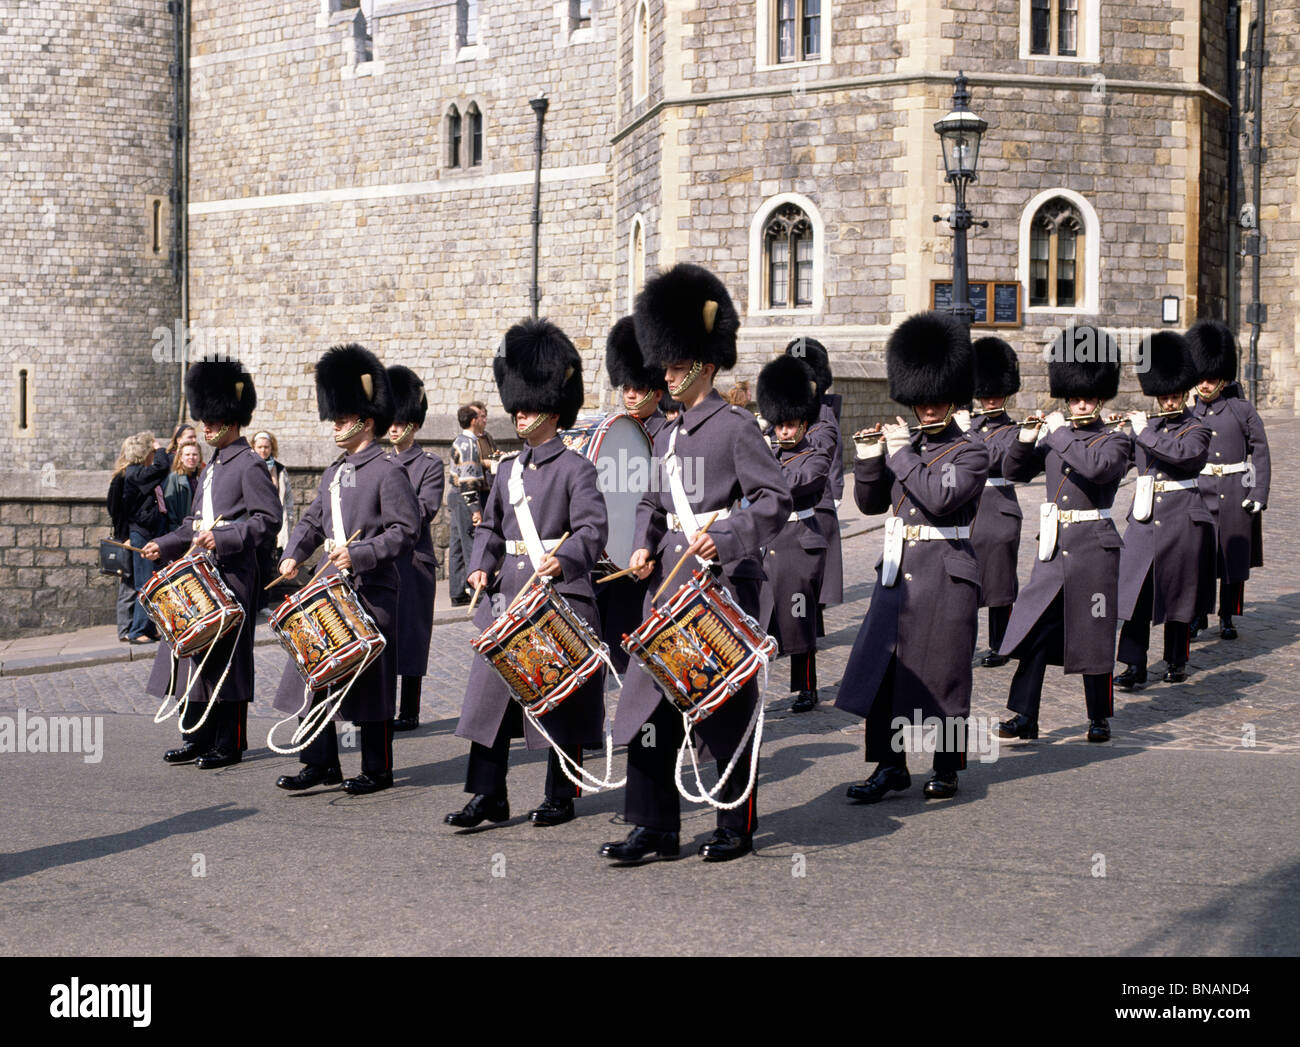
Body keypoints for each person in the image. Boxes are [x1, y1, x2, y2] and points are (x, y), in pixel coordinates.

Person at [602, 263, 792, 864]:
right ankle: (653, 826)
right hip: (666, 588)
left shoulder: (734, 429)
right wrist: (639, 543)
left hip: (717, 591)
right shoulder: (665, 435)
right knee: (648, 704)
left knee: (723, 711)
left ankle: (734, 825)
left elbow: (774, 501)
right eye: (666, 365)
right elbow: (654, 505)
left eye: (677, 366)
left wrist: (729, 535)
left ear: (705, 365)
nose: (666, 375)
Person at [446, 319, 608, 830]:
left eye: (530, 405)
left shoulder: (576, 469)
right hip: (508, 597)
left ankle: (560, 792)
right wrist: (478, 569)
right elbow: (490, 529)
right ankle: (488, 795)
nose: (519, 413)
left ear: (553, 410)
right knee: (490, 698)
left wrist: (565, 557)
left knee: (558, 697)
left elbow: (592, 529)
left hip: (557, 597)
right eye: (517, 404)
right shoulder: (509, 469)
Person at [836, 312, 988, 801]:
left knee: (944, 673)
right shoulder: (911, 445)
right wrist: (868, 459)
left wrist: (901, 453)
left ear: (952, 396)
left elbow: (940, 498)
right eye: (920, 400)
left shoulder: (971, 452)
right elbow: (871, 505)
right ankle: (889, 764)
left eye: (935, 399)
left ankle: (946, 767)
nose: (926, 409)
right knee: (887, 670)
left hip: (946, 570)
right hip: (898, 571)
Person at [272, 344, 419, 795]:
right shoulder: (335, 471)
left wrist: (361, 554)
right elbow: (315, 518)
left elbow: (404, 531)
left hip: (371, 586)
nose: (334, 424)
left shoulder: (386, 470)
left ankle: (378, 768)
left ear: (366, 420)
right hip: (331, 584)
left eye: (341, 417)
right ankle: (320, 762)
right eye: (334, 417)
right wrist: (295, 552)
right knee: (313, 666)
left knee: (372, 683)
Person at [995, 328, 1132, 744]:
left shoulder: (1116, 439)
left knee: (1094, 634)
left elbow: (1096, 469)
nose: (1081, 404)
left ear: (1100, 398)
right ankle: (1024, 715)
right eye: (1074, 398)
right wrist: (1024, 440)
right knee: (1035, 631)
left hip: (1094, 547)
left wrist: (1058, 433)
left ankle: (1099, 717)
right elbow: (1013, 472)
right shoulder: (1058, 437)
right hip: (1054, 551)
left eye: (1088, 397)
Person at [142, 358, 282, 767]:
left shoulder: (249, 464)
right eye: (203, 418)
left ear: (231, 419)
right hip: (200, 574)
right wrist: (163, 544)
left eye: (212, 418)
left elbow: (267, 521)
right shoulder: (214, 465)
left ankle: (230, 741)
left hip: (234, 574)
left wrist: (221, 538)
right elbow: (192, 523)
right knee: (191, 653)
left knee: (227, 659)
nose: (204, 426)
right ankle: (196, 736)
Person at [1115, 332, 1212, 689]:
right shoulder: (1148, 426)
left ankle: (1176, 659)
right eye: (1164, 396)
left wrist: (1144, 432)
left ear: (1184, 394)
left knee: (1178, 595)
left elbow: (1185, 456)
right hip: (1144, 519)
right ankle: (1133, 664)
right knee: (1136, 595)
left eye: (1174, 395)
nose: (1169, 401)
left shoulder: (1197, 428)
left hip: (1182, 519)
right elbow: (1117, 462)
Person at [1185, 319, 1271, 641]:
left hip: (1236, 491)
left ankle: (1227, 616)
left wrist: (1259, 491)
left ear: (1222, 377)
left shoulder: (1242, 410)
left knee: (1233, 560)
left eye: (1211, 379)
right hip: (1200, 493)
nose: (1205, 385)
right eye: (1201, 379)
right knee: (1200, 560)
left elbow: (1260, 450)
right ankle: (1197, 615)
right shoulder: (1189, 413)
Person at [757, 355, 833, 713]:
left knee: (798, 619)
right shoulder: (767, 454)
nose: (784, 432)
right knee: (758, 616)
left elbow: (799, 483)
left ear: (803, 424)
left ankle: (806, 688)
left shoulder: (814, 456)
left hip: (799, 542)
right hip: (768, 543)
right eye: (779, 426)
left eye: (790, 426)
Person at [596, 316, 669, 673]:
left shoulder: (668, 434)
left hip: (647, 557)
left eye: (637, 387)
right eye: (626, 385)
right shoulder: (615, 430)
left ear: (657, 391)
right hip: (613, 556)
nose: (629, 393)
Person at [386, 366, 445, 732]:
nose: (393, 428)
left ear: (414, 424)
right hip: (380, 560)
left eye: (400, 421)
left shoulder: (429, 465)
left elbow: (425, 510)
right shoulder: (379, 463)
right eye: (390, 421)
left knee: (410, 634)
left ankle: (409, 709)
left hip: (412, 561)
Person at [962, 336, 1024, 667]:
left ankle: (1002, 643)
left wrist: (966, 435)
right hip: (970, 510)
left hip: (998, 508)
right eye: (984, 395)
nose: (989, 401)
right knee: (966, 582)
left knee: (1000, 584)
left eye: (995, 395)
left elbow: (995, 458)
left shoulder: (1012, 430)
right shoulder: (969, 426)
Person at [785, 338, 843, 636]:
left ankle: (805, 636)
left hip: (816, 501)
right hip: (788, 510)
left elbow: (820, 456)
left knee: (810, 579)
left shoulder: (823, 418)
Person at [121, 432, 170, 643]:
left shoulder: (138, 473)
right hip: (141, 533)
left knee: (153, 581)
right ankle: (137, 630)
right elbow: (161, 468)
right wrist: (160, 449)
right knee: (144, 582)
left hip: (149, 532)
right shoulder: (135, 473)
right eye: (151, 450)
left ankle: (149, 628)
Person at [448, 403, 488, 605]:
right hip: (466, 497)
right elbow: (468, 480)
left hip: (456, 495)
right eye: (480, 417)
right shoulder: (469, 445)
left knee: (456, 545)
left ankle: (457, 592)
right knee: (472, 544)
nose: (483, 420)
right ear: (473, 421)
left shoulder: (460, 441)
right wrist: (475, 510)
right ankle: (477, 592)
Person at [251, 430, 294, 612]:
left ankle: (262, 603)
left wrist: (288, 520)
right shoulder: (249, 467)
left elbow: (287, 498)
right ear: (253, 447)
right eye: (259, 447)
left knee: (266, 565)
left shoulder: (279, 469)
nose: (263, 450)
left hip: (272, 525)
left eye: (266, 447)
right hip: (253, 523)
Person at [106, 435, 143, 641]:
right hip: (127, 538)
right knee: (128, 584)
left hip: (133, 537)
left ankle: (132, 628)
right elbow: (116, 510)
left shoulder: (130, 476)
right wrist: (125, 536)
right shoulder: (122, 478)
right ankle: (124, 630)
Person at [163, 440, 204, 531]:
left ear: (199, 457)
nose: (191, 457)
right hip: (181, 530)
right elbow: (170, 509)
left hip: (200, 529)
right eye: (187, 454)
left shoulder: (203, 478)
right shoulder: (173, 479)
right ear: (181, 458)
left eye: (195, 454)